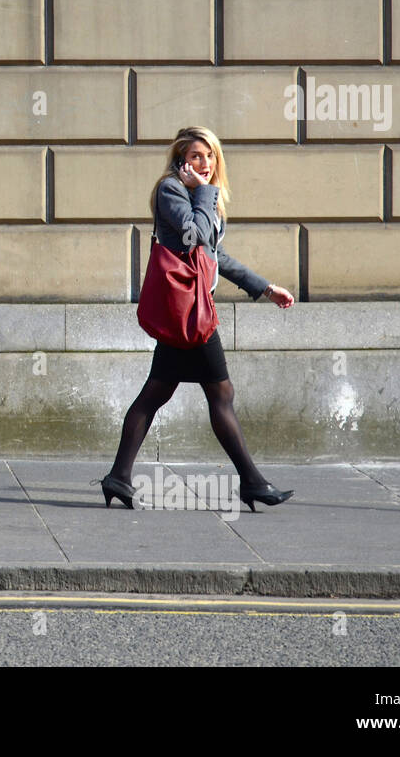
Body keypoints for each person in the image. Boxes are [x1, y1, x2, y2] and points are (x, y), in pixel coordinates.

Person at [102, 126, 296, 513]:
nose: (204, 164)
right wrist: (203, 193)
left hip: (190, 311)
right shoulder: (171, 190)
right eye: (195, 156)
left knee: (156, 394)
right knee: (218, 395)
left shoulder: (201, 197)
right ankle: (253, 483)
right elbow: (197, 235)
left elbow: (213, 256)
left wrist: (263, 287)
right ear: (181, 159)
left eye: (209, 156)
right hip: (190, 314)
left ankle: (119, 477)